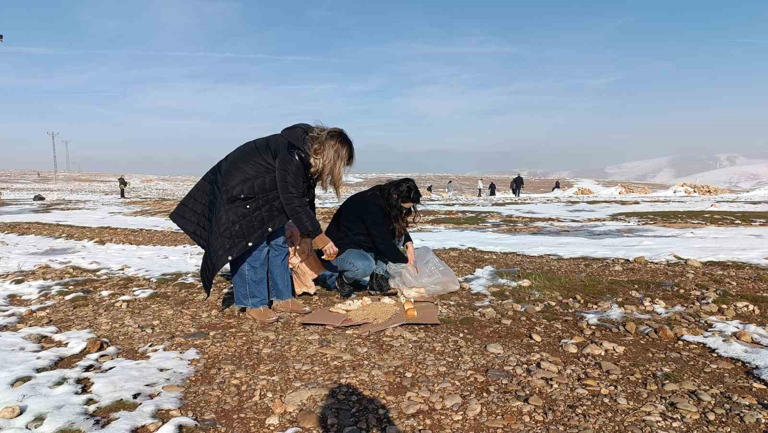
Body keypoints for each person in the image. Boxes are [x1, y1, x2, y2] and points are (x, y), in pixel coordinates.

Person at [170, 124, 354, 323]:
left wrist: (309, 234)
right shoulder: (292, 153)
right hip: (240, 194)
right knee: (253, 247)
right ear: (330, 154)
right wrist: (320, 238)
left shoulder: (304, 154)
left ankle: (282, 298)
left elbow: (304, 197)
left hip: (264, 196)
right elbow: (292, 199)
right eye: (340, 163)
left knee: (278, 243)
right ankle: (253, 302)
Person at [319, 178, 421, 297]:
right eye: (404, 207)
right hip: (340, 249)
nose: (406, 211)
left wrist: (408, 243)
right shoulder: (372, 204)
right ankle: (343, 280)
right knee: (365, 266)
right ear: (396, 197)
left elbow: (395, 227)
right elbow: (382, 242)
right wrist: (406, 263)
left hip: (364, 245)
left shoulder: (386, 197)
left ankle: (377, 281)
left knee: (398, 237)